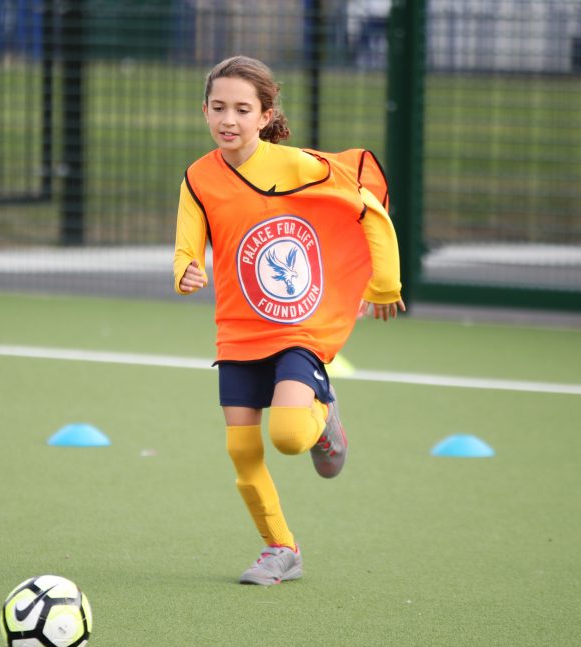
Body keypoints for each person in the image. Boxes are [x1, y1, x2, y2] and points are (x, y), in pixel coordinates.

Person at [172, 55, 406, 585]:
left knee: (288, 437)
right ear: (203, 111)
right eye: (218, 108)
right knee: (242, 449)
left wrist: (385, 283)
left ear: (264, 115)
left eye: (241, 109)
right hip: (237, 331)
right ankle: (281, 549)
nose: (227, 119)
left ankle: (326, 422)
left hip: (297, 328)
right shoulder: (197, 179)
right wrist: (186, 269)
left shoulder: (297, 165)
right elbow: (187, 247)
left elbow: (368, 207)